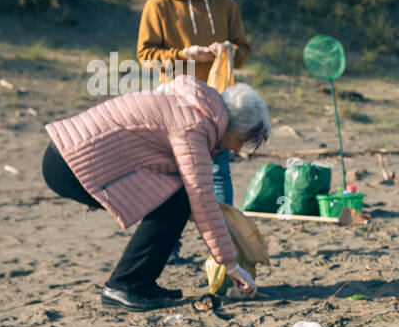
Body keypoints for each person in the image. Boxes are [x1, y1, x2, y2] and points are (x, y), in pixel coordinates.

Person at [41, 77, 270, 311]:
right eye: (241, 140)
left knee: (176, 199)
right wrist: (231, 265)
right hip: (71, 164)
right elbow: (202, 198)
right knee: (179, 202)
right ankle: (124, 286)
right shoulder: (194, 125)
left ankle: (141, 283)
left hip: (71, 156)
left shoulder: (196, 106)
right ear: (232, 125)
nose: (238, 149)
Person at [138, 0, 251, 208]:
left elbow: (243, 51)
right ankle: (169, 250)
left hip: (217, 104)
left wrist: (231, 52)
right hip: (175, 104)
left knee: (218, 173)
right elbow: (146, 56)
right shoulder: (158, 6)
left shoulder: (226, 6)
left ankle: (227, 245)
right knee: (172, 177)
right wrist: (185, 54)